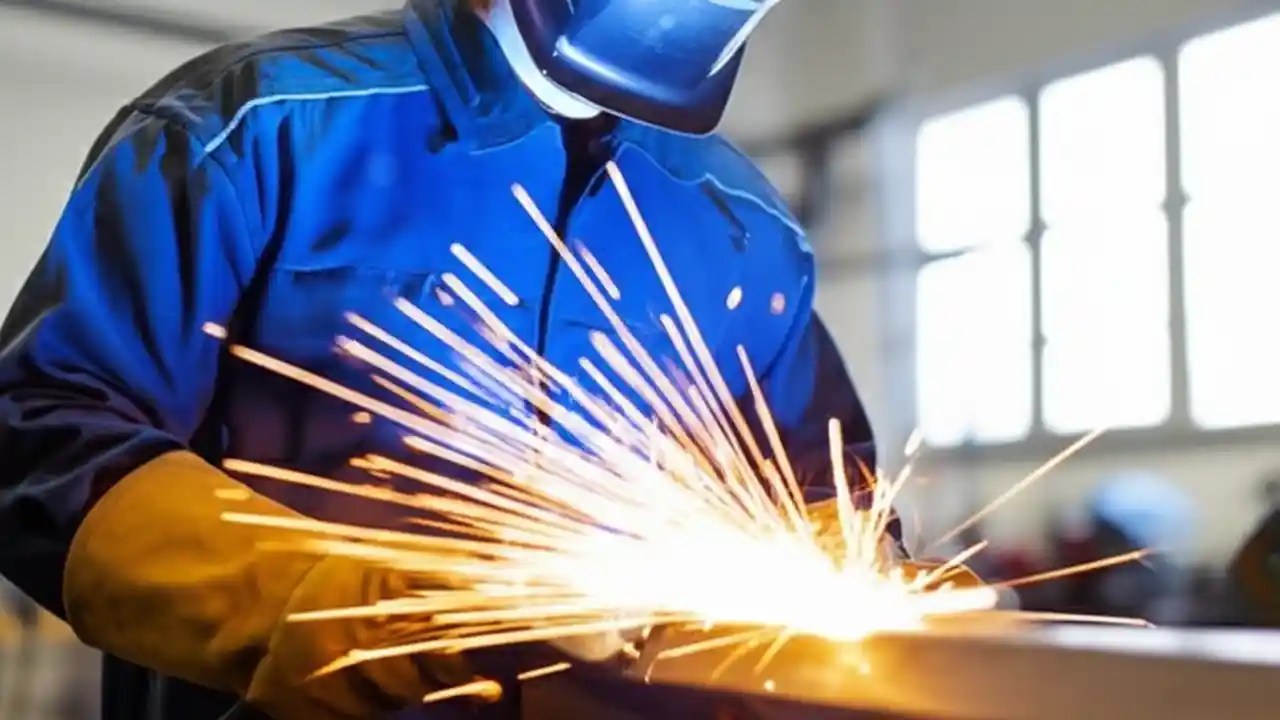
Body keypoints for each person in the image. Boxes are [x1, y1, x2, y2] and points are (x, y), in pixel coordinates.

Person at [0, 1, 878, 718]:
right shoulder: (259, 126)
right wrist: (329, 600)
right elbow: (42, 435)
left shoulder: (744, 223)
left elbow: (824, 506)